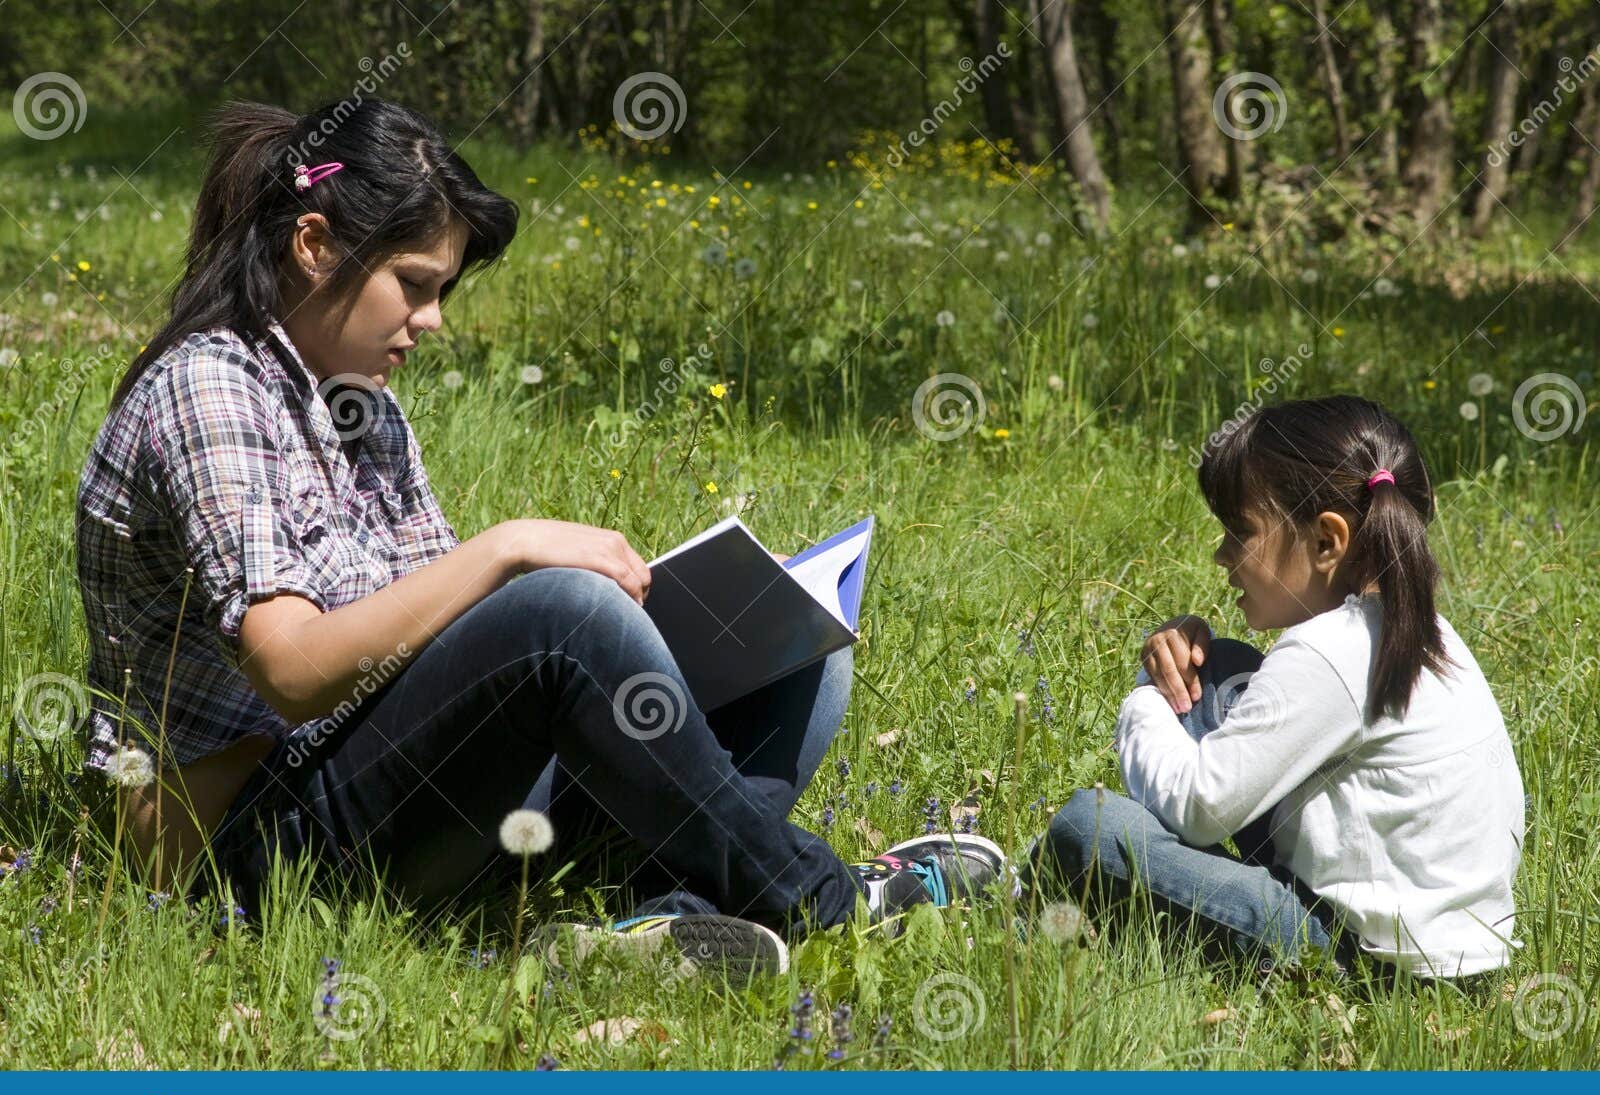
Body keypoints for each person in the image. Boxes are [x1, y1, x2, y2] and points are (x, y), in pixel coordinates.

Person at [74, 97, 1002, 980]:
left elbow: (425, 650)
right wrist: (505, 552)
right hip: (255, 857)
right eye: (415, 285)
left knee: (794, 649)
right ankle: (826, 902)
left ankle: (658, 921)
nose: (432, 320)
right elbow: (292, 669)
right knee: (559, 612)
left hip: (401, 799)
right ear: (313, 246)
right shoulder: (210, 387)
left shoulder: (368, 408)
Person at [1028, 396, 1524, 981]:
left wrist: (1146, 694)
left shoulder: (1329, 652)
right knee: (1225, 669)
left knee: (1089, 826)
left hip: (1369, 965)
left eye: (1240, 532)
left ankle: (1012, 888)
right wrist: (1184, 667)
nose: (1221, 555)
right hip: (1444, 948)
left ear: (1325, 542)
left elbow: (1198, 809)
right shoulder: (1409, 624)